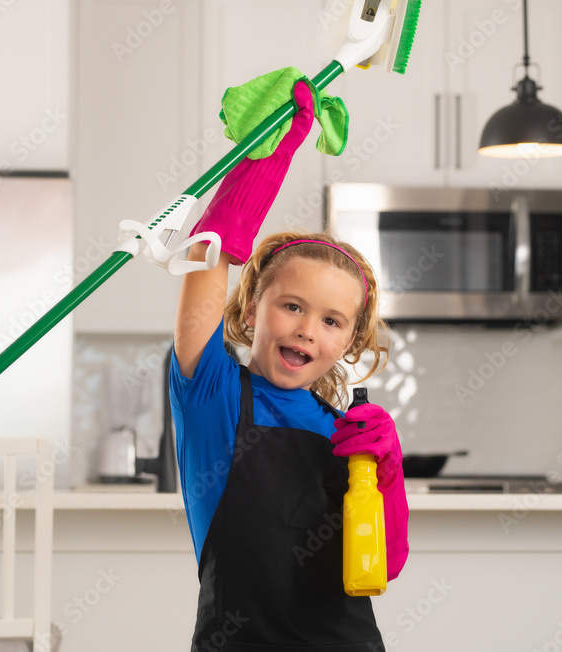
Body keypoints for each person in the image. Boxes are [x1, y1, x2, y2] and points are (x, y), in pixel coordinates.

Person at [170, 79, 409, 652]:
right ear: (254, 308)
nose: (307, 328)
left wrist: (387, 467)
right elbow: (211, 251)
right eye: (293, 306)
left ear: (350, 341)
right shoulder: (214, 393)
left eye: (332, 321)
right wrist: (271, 152)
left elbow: (386, 564)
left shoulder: (343, 430)